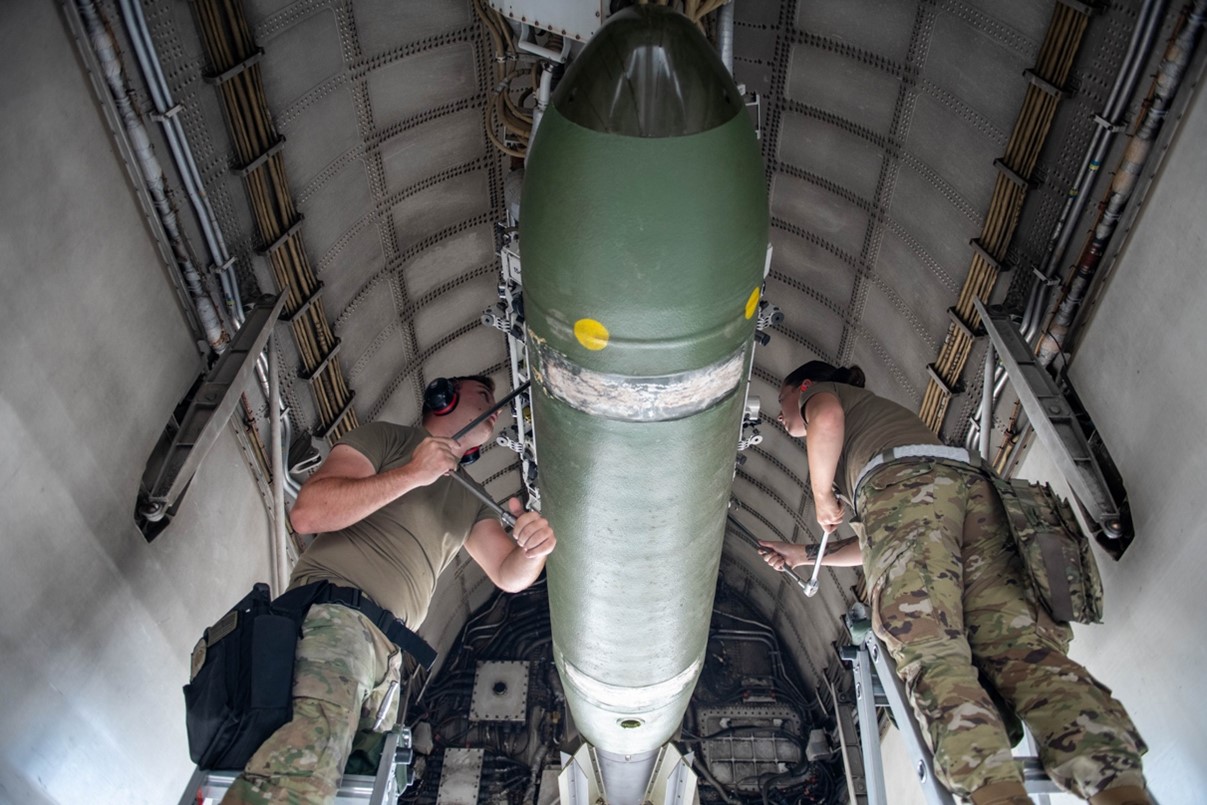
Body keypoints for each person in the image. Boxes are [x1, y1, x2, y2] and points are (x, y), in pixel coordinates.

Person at [756, 360, 1150, 805]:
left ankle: (997, 794)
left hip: (905, 491)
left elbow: (825, 417)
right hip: (970, 491)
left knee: (930, 650)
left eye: (781, 401)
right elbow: (879, 546)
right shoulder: (875, 431)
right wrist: (808, 555)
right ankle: (1120, 788)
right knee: (1022, 649)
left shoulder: (820, 395)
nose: (779, 413)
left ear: (803, 386)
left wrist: (823, 496)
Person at [221, 375, 556, 804]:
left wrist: (533, 549)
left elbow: (508, 574)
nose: (496, 404)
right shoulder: (386, 439)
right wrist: (413, 473)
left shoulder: (472, 496)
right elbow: (309, 513)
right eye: (483, 394)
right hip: (337, 618)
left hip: (385, 658)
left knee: (345, 789)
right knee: (299, 777)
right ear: (443, 398)